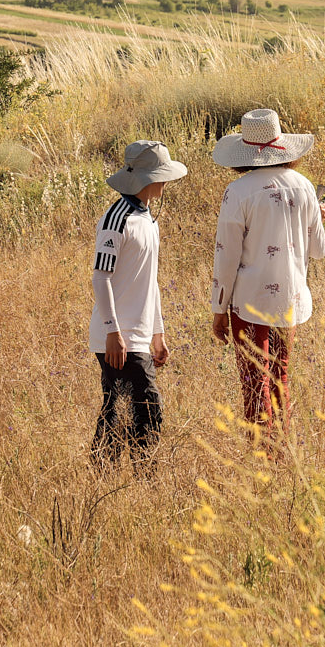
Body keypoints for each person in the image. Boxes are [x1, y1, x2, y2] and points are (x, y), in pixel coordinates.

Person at [209, 109, 325, 441]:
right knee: (280, 376)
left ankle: (262, 456)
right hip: (289, 301)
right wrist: (317, 217)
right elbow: (319, 250)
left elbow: (226, 256)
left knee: (254, 380)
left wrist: (219, 309)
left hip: (250, 302)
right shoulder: (304, 186)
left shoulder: (239, 191)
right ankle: (282, 449)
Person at [89, 139, 187, 463]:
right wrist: (112, 332)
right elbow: (100, 277)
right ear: (147, 178)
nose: (166, 182)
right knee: (148, 412)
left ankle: (108, 479)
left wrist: (157, 333)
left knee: (121, 413)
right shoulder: (116, 219)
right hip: (118, 338)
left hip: (137, 337)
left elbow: (150, 282)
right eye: (162, 175)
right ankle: (140, 480)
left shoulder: (148, 219)